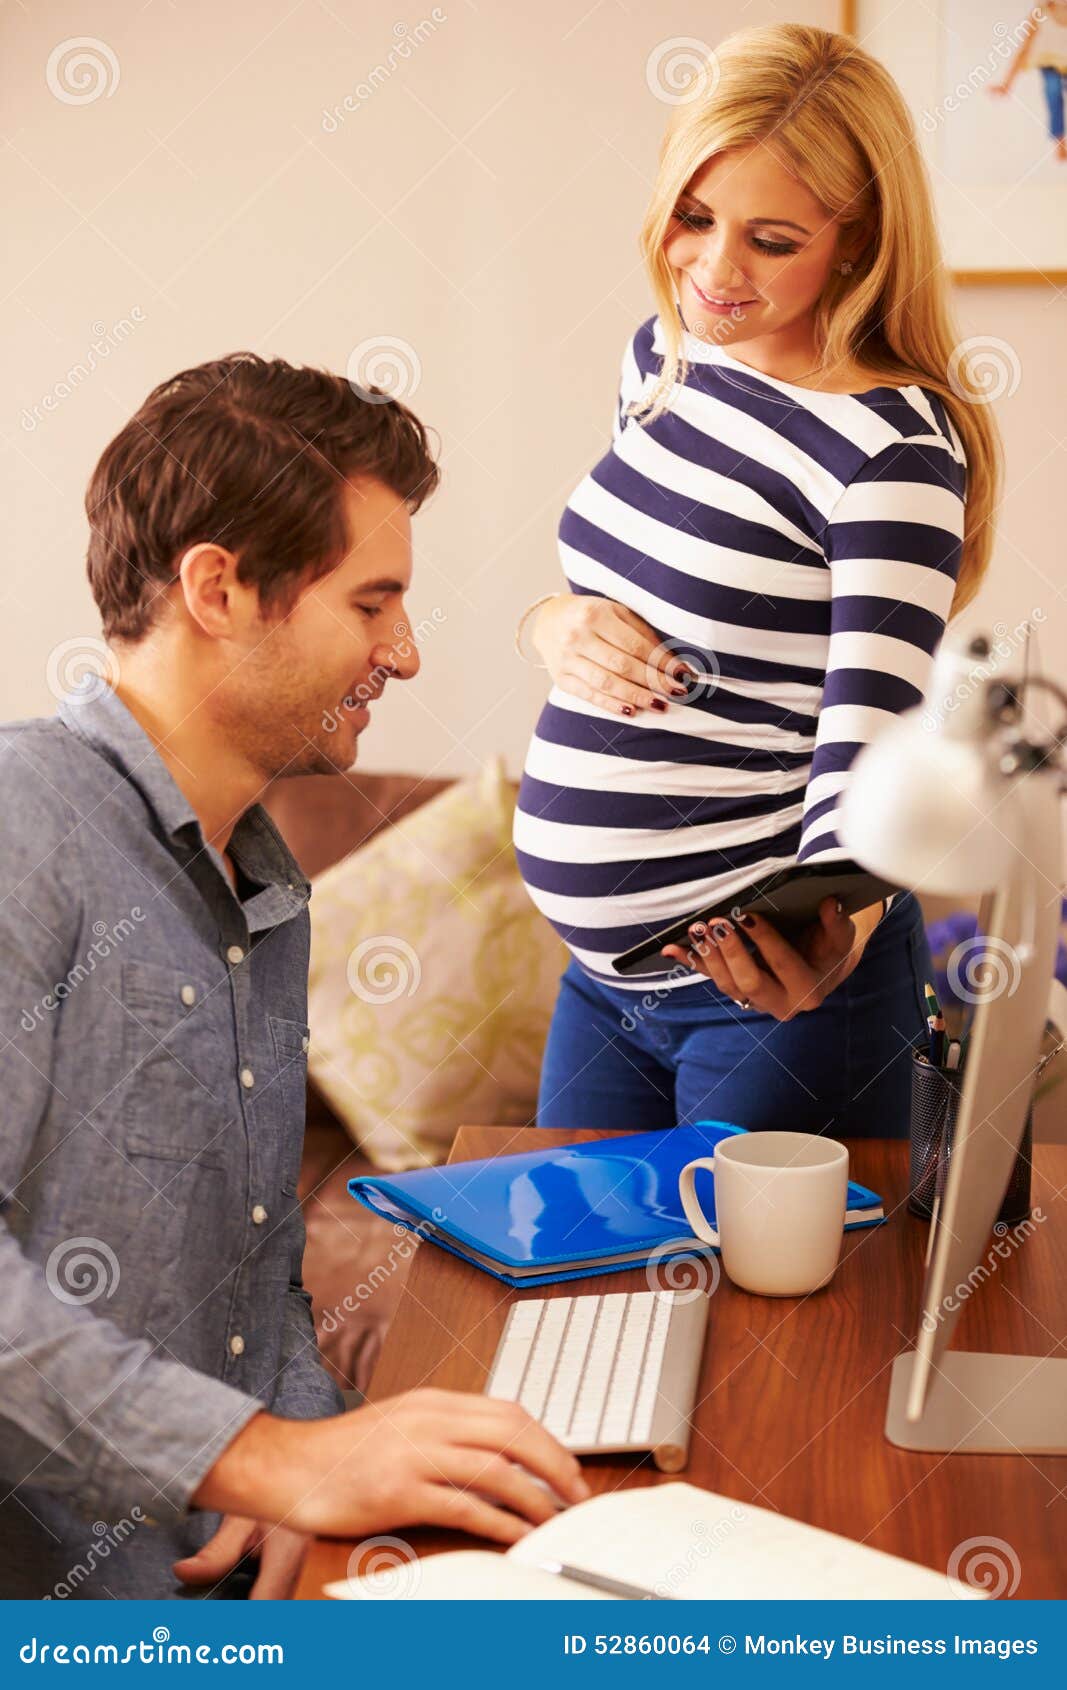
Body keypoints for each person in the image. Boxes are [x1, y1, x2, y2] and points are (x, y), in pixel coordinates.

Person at [0, 355, 587, 1600]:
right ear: (218, 588)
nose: (407, 653)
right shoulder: (20, 828)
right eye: (371, 605)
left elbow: (256, 1274)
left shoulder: (260, 887)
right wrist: (267, 1459)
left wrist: (301, 1440)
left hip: (221, 1575)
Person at [513, 23, 1001, 1139]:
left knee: (755, 1315)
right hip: (601, 983)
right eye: (694, 218)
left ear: (857, 237)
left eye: (769, 239)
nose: (714, 269)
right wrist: (549, 623)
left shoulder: (889, 455)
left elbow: (866, 749)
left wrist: (843, 924)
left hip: (767, 1008)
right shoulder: (663, 358)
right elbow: (620, 579)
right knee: (576, 1295)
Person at [991, 3, 1067, 161]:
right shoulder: (1041, 13)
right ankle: (1060, 143)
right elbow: (1024, 48)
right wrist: (1007, 82)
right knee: (1053, 90)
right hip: (1049, 63)